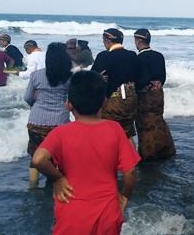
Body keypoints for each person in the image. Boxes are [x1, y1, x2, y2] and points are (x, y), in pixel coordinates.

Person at [31, 70, 140, 235]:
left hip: (71, 213)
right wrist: (125, 195)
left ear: (68, 105)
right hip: (108, 213)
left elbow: (39, 159)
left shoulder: (60, 133)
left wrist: (58, 178)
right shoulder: (115, 129)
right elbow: (130, 171)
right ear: (104, 102)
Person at [24, 42, 72, 187]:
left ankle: (32, 186)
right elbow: (73, 100)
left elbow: (27, 97)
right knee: (58, 158)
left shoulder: (36, 75)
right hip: (60, 123)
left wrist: (37, 106)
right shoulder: (68, 77)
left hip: (36, 122)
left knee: (35, 156)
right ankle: (56, 184)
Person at [134, 29, 176, 161]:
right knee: (158, 119)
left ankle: (148, 153)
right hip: (158, 93)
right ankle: (166, 149)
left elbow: (142, 79)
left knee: (145, 123)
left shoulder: (139, 58)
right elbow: (163, 77)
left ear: (139, 40)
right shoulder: (159, 55)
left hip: (145, 95)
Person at [91, 28, 140, 142]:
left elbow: (93, 78)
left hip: (114, 101)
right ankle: (132, 159)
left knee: (110, 133)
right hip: (131, 99)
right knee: (127, 133)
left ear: (107, 41)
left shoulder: (104, 56)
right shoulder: (132, 55)